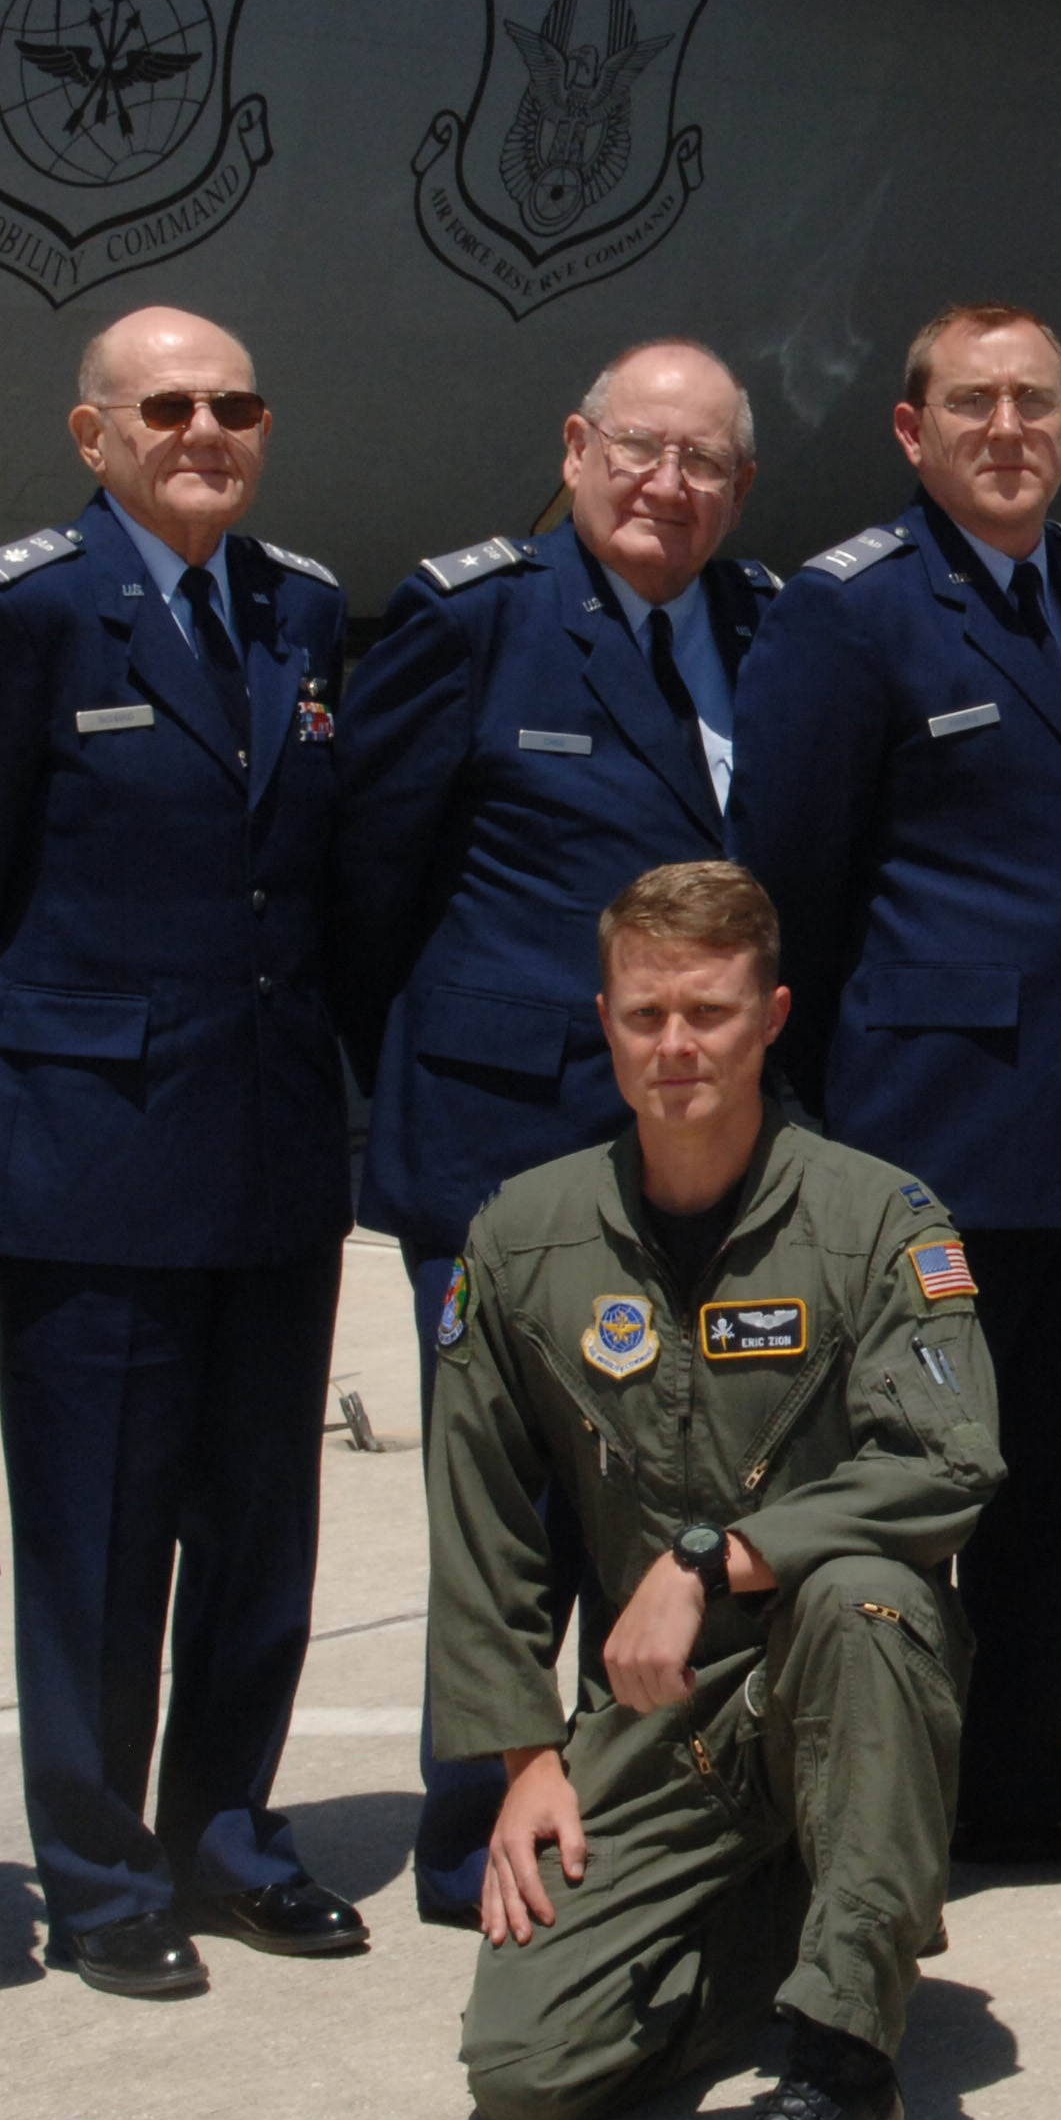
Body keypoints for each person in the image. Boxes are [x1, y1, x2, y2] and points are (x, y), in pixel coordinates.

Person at [0, 305, 367, 1998]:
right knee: (100, 1545)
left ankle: (230, 1834)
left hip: (263, 1145)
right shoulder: (21, 607)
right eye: (164, 406)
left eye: (233, 403)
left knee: (259, 1527)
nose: (203, 430)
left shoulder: (299, 606)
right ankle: (101, 1874)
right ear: (92, 435)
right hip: (90, 1150)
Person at [436, 862, 996, 2120]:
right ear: (606, 1023)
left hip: (838, 1681)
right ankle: (802, 1909)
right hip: (659, 1722)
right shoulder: (525, 1240)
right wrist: (523, 1757)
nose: (675, 1047)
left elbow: (949, 1462)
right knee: (528, 2072)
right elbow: (485, 1521)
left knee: (865, 1597)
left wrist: (721, 1556)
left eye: (709, 1013)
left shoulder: (881, 1223)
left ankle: (843, 2075)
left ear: (773, 1019)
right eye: (645, 1016)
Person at [734, 303, 1061, 1873]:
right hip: (923, 1138)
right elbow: (787, 882)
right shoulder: (848, 612)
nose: (1011, 430)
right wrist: (796, 1138)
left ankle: (1016, 1766)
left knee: (1048, 1475)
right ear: (912, 433)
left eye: (1038, 403)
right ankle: (879, 1781)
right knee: (910, 1485)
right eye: (975, 404)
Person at [334, 338, 777, 1924]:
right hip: (504, 1145)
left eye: (706, 463)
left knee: (664, 1484)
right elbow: (367, 887)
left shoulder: (761, 629)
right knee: (503, 1493)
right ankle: (475, 1831)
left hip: (694, 1149)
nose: (669, 487)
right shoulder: (475, 623)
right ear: (577, 449)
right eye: (640, 451)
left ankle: (644, 1804)